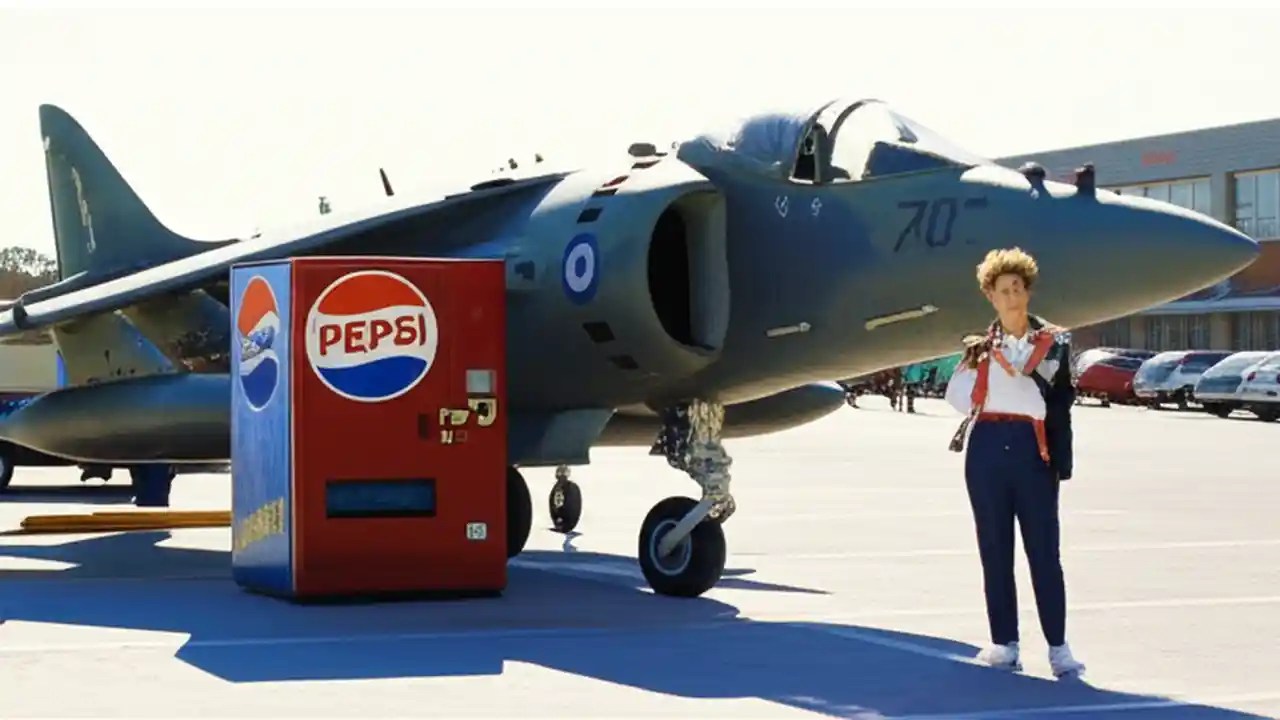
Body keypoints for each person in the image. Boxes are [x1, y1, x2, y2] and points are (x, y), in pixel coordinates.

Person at [944, 247, 1086, 679]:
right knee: (994, 550)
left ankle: (1059, 648)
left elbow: (1056, 395)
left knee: (1044, 550)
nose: (1011, 297)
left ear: (1028, 292)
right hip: (987, 445)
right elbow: (955, 396)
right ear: (990, 296)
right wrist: (984, 376)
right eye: (1002, 290)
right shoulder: (979, 348)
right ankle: (1004, 642)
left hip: (1032, 447)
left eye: (1017, 288)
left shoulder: (1053, 344)